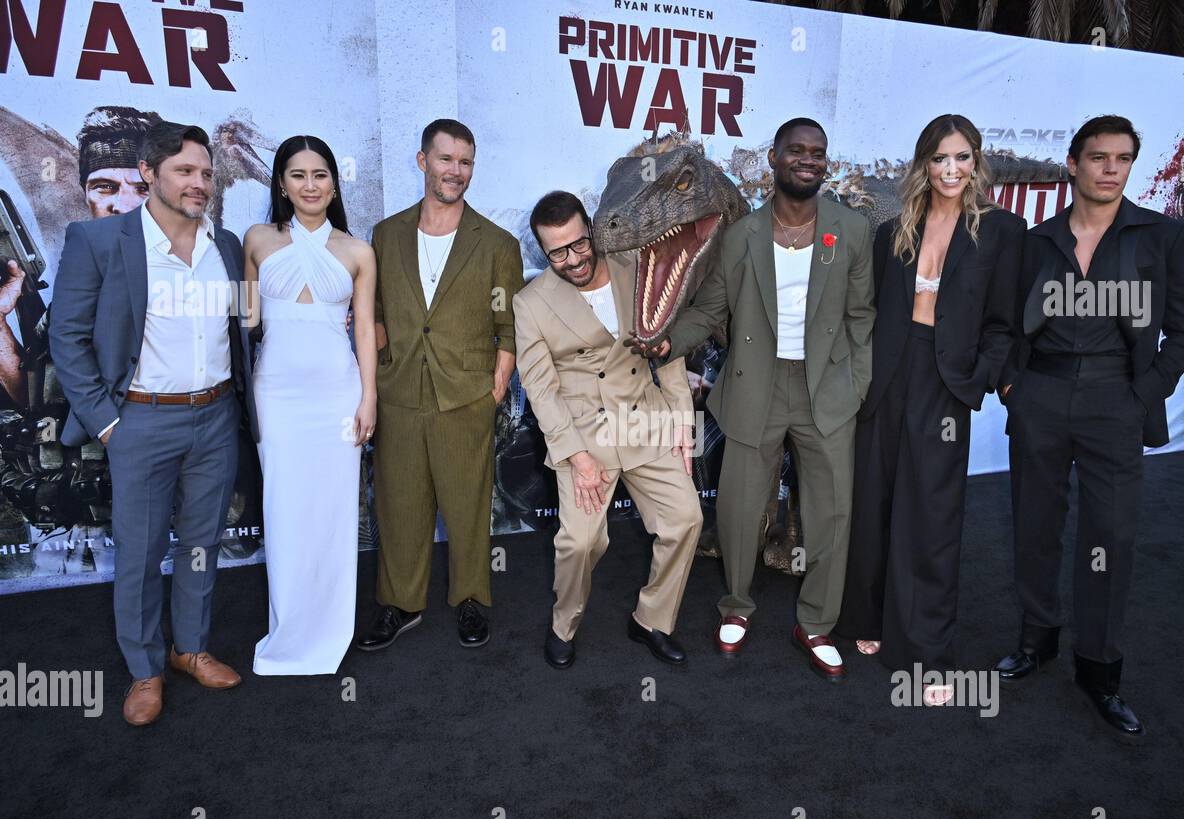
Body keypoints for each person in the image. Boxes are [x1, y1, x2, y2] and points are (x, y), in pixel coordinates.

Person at [634, 118, 875, 682]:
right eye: (797, 151)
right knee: (740, 510)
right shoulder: (743, 235)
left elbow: (862, 317)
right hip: (754, 385)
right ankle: (736, 606)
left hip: (827, 391)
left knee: (831, 513)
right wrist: (669, 340)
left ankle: (815, 623)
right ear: (774, 157)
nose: (808, 160)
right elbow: (711, 309)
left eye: (818, 152)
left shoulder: (852, 230)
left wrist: (856, 382)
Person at [992, 115, 1184, 739]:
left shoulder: (1161, 237)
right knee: (1034, 524)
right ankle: (1036, 641)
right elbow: (1004, 322)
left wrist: (1144, 395)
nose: (1111, 169)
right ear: (1073, 164)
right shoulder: (1037, 241)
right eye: (1098, 158)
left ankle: (1100, 671)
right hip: (1042, 393)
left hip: (1118, 397)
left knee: (1109, 536)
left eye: (1122, 159)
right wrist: (1012, 387)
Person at [49, 121, 258, 725]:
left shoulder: (225, 244)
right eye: (185, 172)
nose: (200, 184)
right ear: (149, 174)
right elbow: (68, 337)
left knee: (200, 546)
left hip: (215, 417)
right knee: (139, 555)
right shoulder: (99, 240)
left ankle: (189, 648)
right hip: (140, 421)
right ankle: (145, 670)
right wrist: (108, 423)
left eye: (206, 173)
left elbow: (242, 326)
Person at [836, 115, 1025, 705]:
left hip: (945, 382)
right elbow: (866, 310)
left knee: (933, 514)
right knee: (875, 499)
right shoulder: (893, 228)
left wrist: (979, 380)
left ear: (977, 161)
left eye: (962, 157)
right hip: (887, 375)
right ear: (923, 163)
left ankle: (926, 653)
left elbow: (1006, 324)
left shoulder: (1002, 231)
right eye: (940, 159)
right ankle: (867, 621)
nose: (951, 170)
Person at [355, 119, 524, 652]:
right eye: (446, 159)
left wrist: (495, 388)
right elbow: (375, 313)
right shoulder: (386, 234)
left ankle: (471, 598)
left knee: (469, 506)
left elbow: (508, 325)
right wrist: (382, 371)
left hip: (466, 396)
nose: (456, 171)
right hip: (401, 393)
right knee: (399, 505)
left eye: (466, 162)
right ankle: (401, 604)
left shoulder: (496, 243)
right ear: (422, 160)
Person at [514, 191, 701, 669]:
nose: (572, 259)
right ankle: (564, 623)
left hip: (645, 414)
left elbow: (667, 346)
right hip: (585, 433)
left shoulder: (636, 266)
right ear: (542, 251)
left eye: (578, 244)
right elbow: (540, 388)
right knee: (580, 542)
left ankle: (652, 620)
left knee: (685, 520)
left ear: (592, 231)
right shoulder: (530, 304)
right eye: (557, 252)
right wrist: (576, 457)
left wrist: (683, 419)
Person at [243, 136, 377, 675]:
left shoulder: (357, 251)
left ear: (334, 182)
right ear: (281, 183)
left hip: (337, 394)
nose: (310, 185)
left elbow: (364, 329)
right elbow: (246, 323)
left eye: (320, 174)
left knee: (333, 513)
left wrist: (369, 397)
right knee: (283, 512)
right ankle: (289, 630)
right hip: (274, 394)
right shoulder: (255, 240)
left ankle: (327, 633)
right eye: (297, 175)